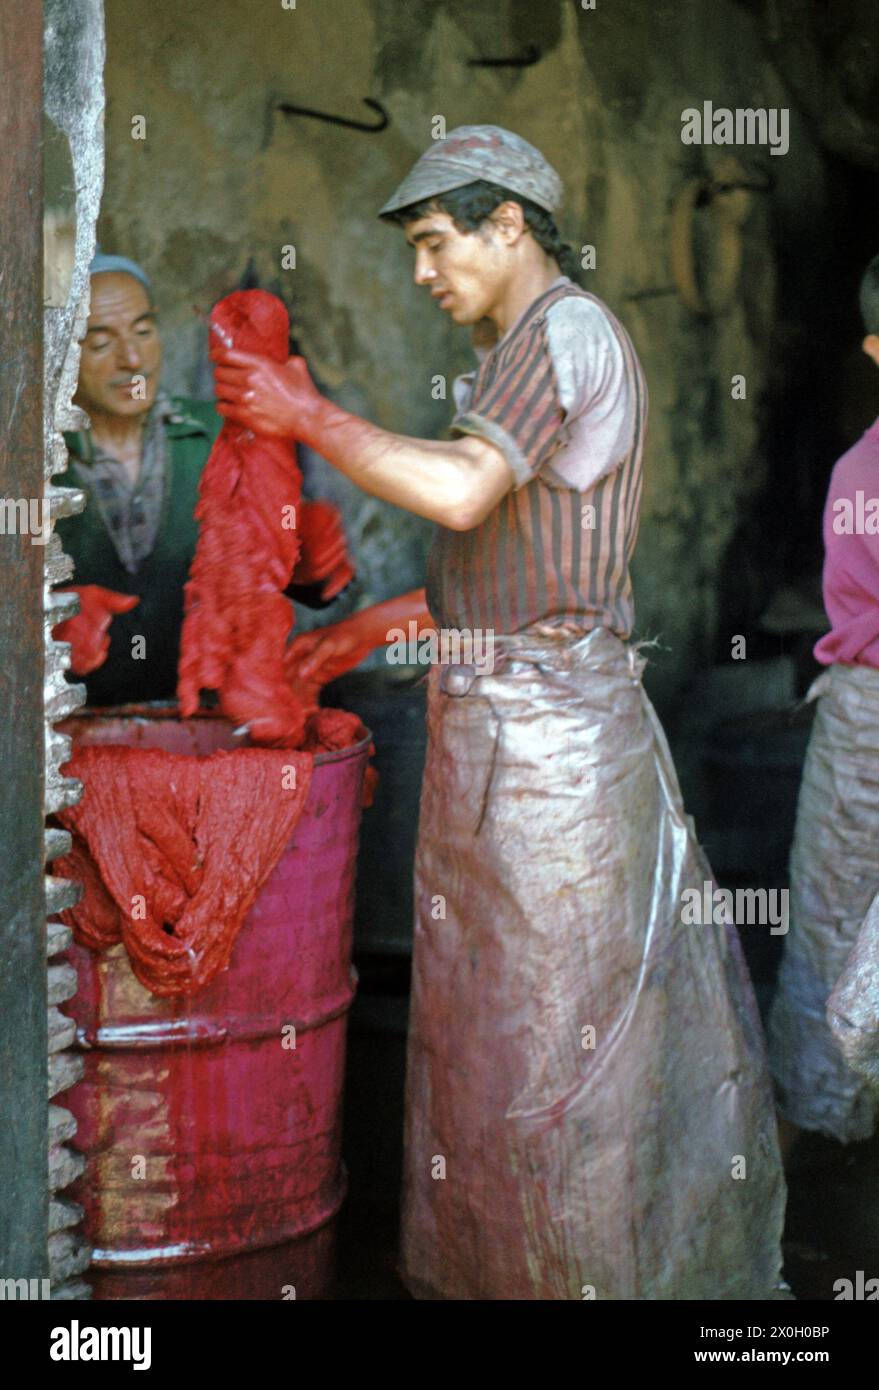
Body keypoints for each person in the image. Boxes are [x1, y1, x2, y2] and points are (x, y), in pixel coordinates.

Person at [212, 125, 787, 1300]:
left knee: (551, 1062)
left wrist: (303, 410)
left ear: (509, 223)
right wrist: (358, 634)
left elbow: (466, 489)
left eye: (434, 243)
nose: (423, 273)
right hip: (523, 739)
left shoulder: (559, 331)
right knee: (497, 1048)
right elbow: (509, 566)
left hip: (552, 763)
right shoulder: (528, 348)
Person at [54, 252, 353, 706]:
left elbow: (272, 581)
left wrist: (309, 570)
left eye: (143, 331)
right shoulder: (30, 462)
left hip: (204, 727)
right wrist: (43, 620)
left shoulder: (220, 432)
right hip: (66, 737)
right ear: (58, 355)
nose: (132, 359)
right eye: (99, 344)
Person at [768, 253, 879, 1156]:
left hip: (860, 712)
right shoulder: (858, 477)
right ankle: (820, 1120)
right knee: (834, 924)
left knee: (835, 921)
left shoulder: (855, 471)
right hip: (867, 716)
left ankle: (822, 1114)